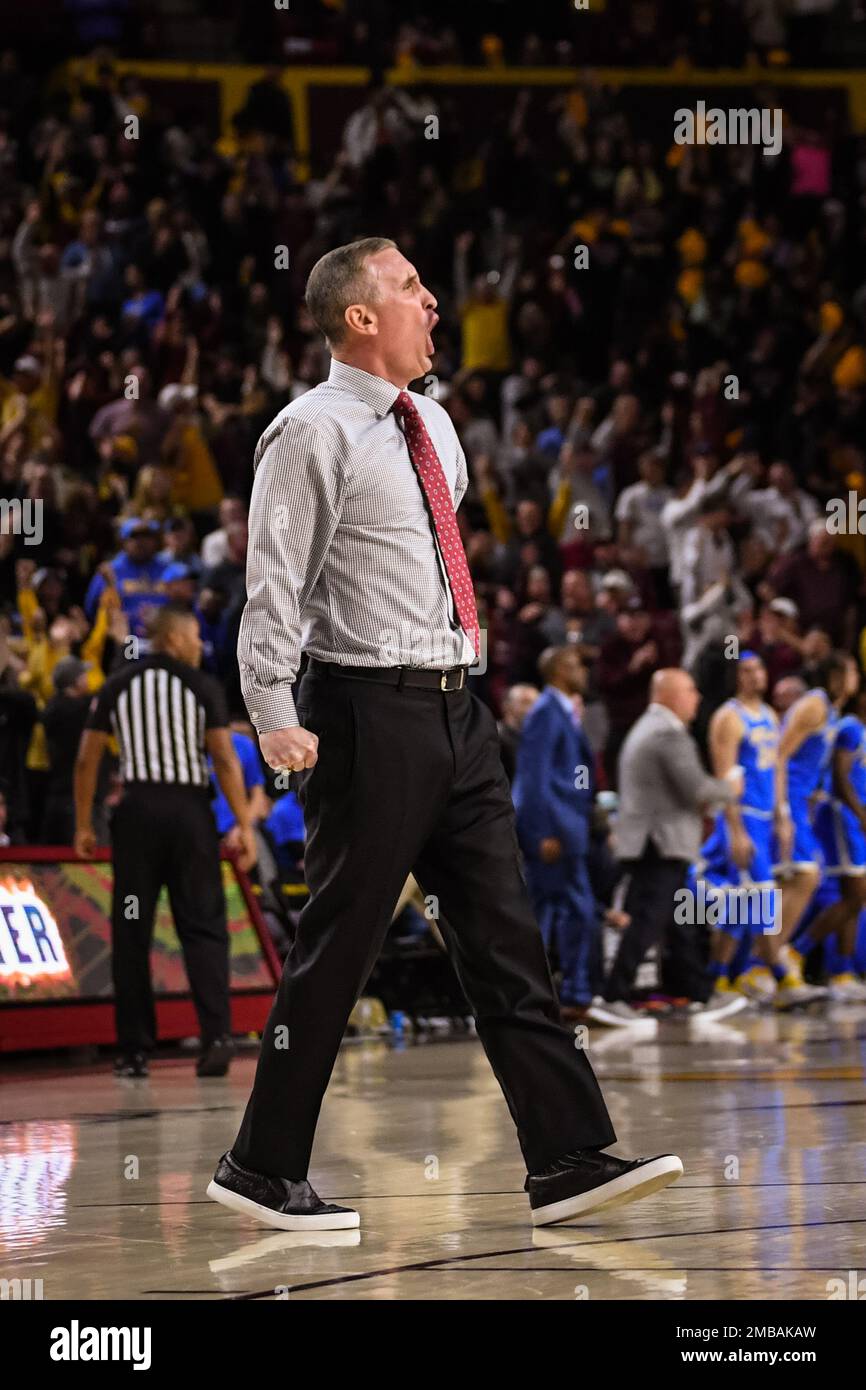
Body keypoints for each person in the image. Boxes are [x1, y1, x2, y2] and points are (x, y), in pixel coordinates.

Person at [207, 237, 683, 1232]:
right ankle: (260, 1165)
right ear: (359, 319)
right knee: (340, 941)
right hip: (362, 709)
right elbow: (275, 587)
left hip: (453, 706)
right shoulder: (308, 431)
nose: (434, 302)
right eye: (412, 289)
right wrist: (275, 714)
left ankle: (564, 1154)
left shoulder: (434, 423)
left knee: (503, 932)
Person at [73, 604, 256, 1079]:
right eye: (195, 635)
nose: (201, 644)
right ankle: (216, 1037)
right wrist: (244, 823)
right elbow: (224, 758)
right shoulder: (201, 686)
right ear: (174, 639)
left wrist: (83, 825)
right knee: (203, 926)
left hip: (135, 816)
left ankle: (134, 1051)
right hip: (189, 815)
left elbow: (86, 761)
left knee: (131, 932)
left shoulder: (118, 683)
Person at [588, 668, 746, 1026]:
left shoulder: (651, 727)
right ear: (671, 695)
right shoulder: (666, 733)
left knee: (677, 922)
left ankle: (700, 994)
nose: (698, 698)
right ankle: (613, 996)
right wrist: (731, 786)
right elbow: (699, 790)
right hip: (659, 843)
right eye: (691, 690)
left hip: (654, 841)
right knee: (649, 920)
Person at [695, 652, 811, 1010]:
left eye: (759, 668)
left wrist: (783, 815)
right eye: (745, 671)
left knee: (740, 905)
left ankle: (718, 978)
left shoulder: (773, 717)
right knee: (762, 899)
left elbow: (777, 767)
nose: (754, 676)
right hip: (742, 817)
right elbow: (725, 778)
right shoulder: (729, 718)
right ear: (735, 677)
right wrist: (735, 829)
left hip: (765, 817)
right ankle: (782, 976)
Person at [513, 646, 598, 1022]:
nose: (583, 670)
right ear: (559, 670)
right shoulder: (547, 712)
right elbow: (533, 778)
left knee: (546, 912)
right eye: (577, 664)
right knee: (575, 912)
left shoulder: (563, 712)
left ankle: (536, 996)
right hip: (555, 832)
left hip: (568, 828)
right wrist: (542, 831)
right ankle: (573, 995)